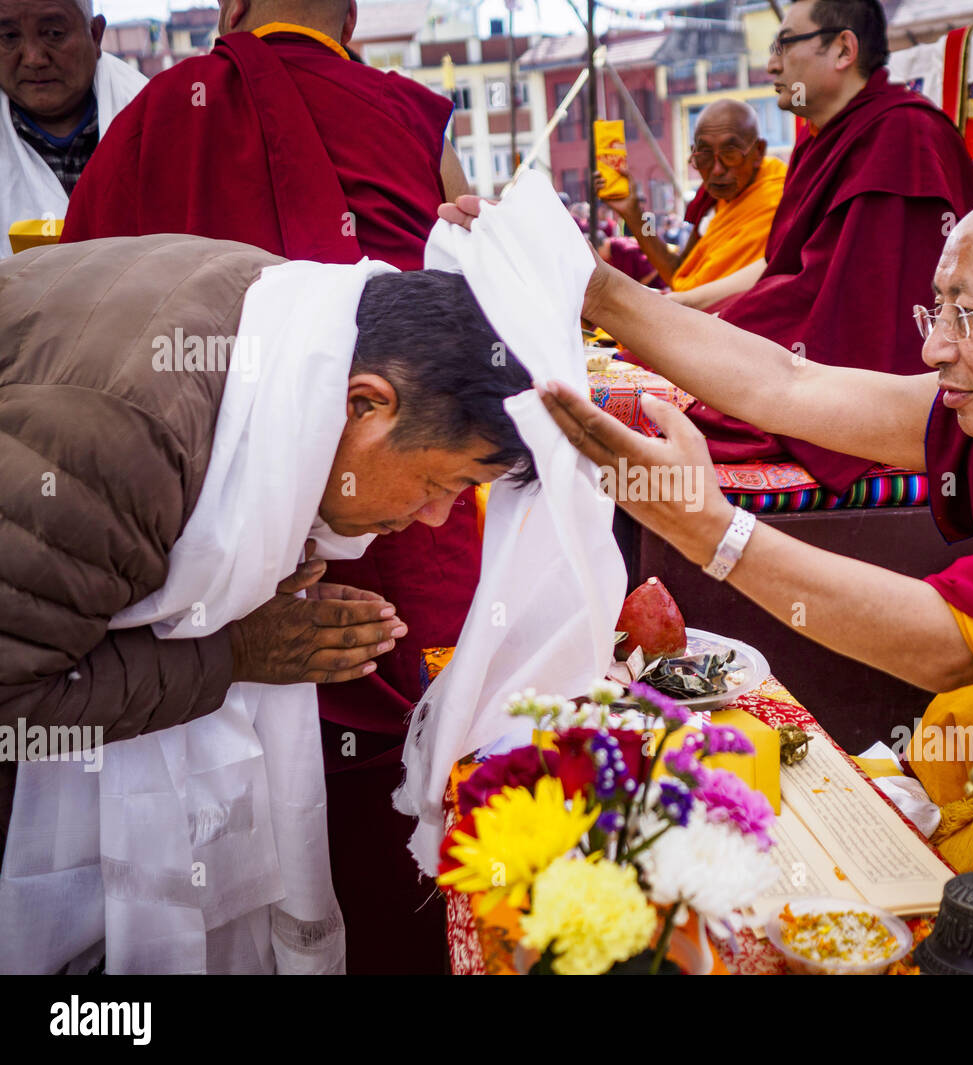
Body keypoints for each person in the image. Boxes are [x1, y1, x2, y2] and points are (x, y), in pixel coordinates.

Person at [440, 179, 973, 972]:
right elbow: (791, 383)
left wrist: (709, 529)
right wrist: (590, 285)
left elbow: (948, 646)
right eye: (939, 308)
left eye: (965, 314)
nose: (933, 346)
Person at [60, 0, 477, 972]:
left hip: (171, 544)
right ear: (354, 17)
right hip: (389, 531)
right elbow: (461, 318)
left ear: (229, 9)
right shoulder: (411, 114)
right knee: (384, 801)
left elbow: (90, 301)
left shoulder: (154, 114)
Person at [0, 233, 534, 973]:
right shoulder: (126, 445)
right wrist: (234, 651)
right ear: (364, 403)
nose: (437, 518)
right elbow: (13, 689)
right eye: (442, 485)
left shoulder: (293, 319)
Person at [679, 0, 973, 494]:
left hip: (892, 368)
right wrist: (683, 310)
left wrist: (715, 334)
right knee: (673, 351)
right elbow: (782, 263)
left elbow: (859, 310)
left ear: (843, 48)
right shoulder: (819, 139)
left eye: (784, 44)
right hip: (812, 323)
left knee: (710, 394)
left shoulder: (903, 135)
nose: (772, 64)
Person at [0, 0, 145, 258]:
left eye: (53, 34)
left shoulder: (152, 116)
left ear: (95, 34)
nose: (34, 59)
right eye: (9, 36)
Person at [598, 99, 786, 292]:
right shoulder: (712, 199)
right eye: (704, 156)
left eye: (730, 154)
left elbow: (693, 292)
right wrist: (634, 215)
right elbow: (679, 272)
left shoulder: (776, 201)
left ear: (759, 151)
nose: (717, 170)